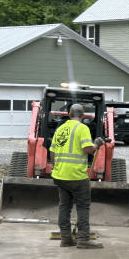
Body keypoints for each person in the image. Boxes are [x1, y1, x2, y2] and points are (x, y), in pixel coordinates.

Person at [50, 103, 104, 249]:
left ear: (68, 114)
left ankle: (66, 239)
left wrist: (56, 167)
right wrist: (96, 144)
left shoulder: (60, 128)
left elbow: (52, 151)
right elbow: (87, 149)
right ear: (83, 115)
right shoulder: (82, 128)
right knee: (82, 206)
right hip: (77, 176)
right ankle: (84, 239)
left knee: (64, 207)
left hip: (60, 175)